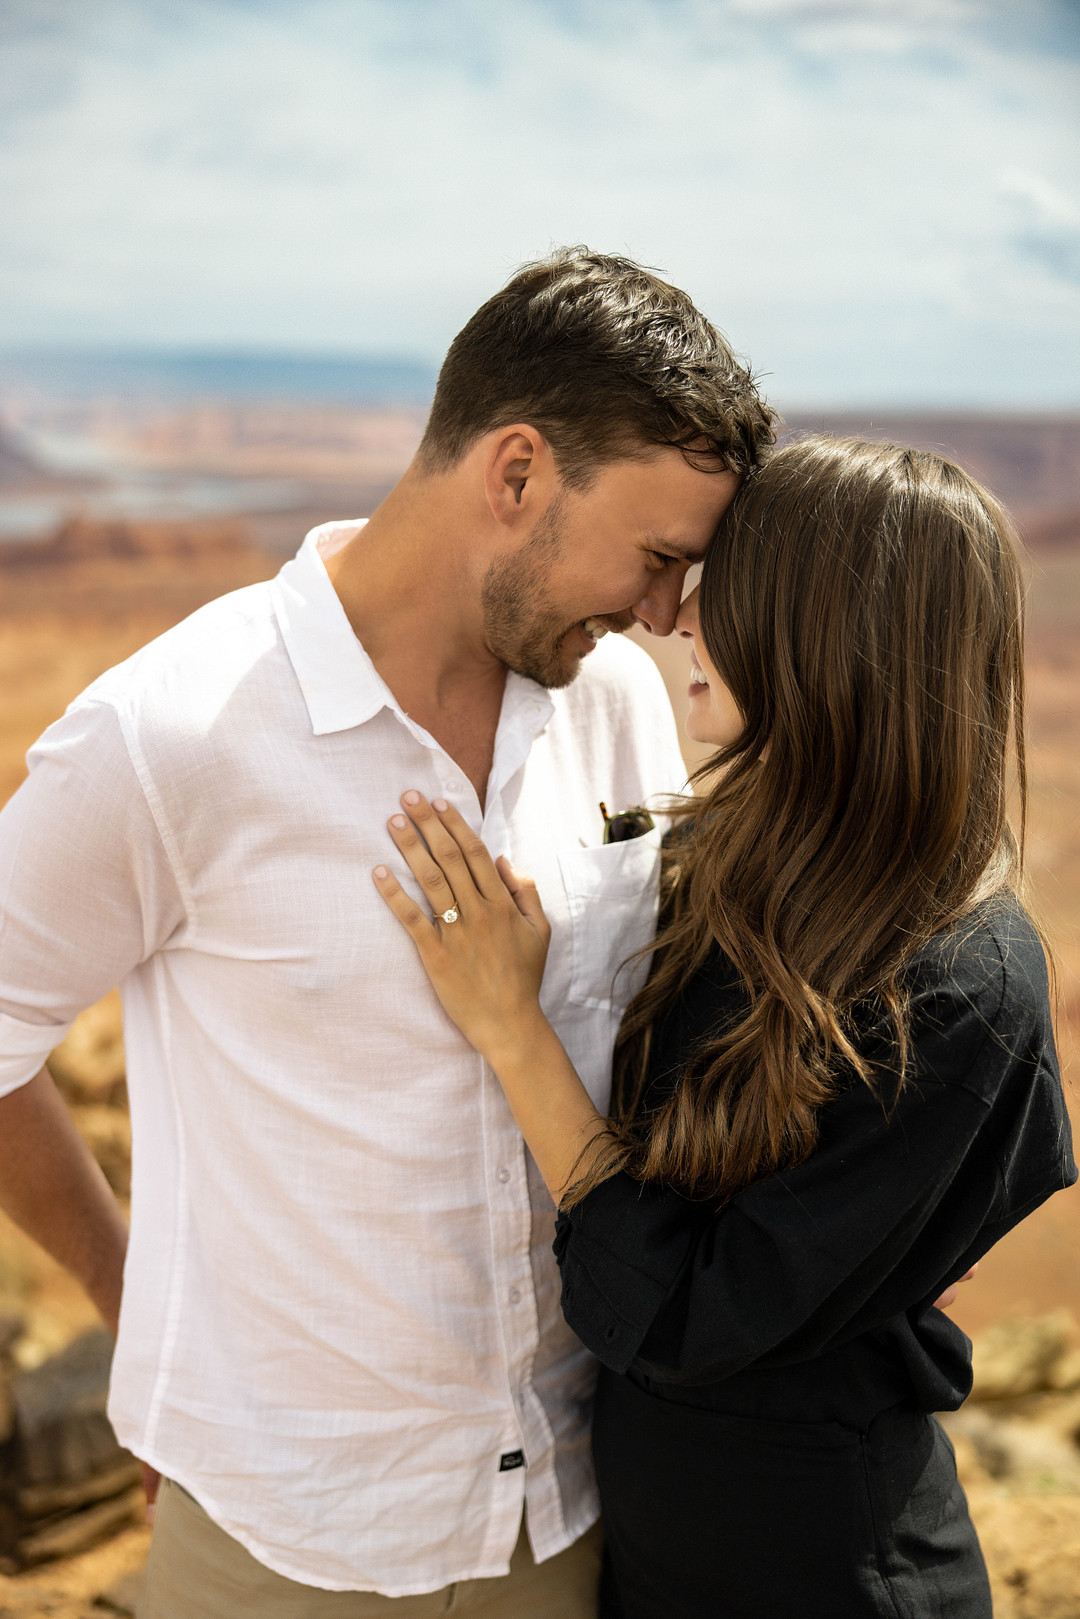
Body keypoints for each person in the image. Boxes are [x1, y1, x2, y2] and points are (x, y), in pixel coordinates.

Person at [0, 250, 775, 1616]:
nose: (664, 613)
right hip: (281, 1541)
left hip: (571, 1517)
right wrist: (130, 1291)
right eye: (657, 559)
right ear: (518, 472)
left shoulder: (621, 711)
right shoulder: (170, 732)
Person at [375, 435, 1077, 1619]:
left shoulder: (965, 979)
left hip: (820, 1574)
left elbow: (686, 1316)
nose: (680, 616)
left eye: (729, 585)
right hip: (654, 1556)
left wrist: (513, 1029)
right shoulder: (730, 859)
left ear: (829, 635)